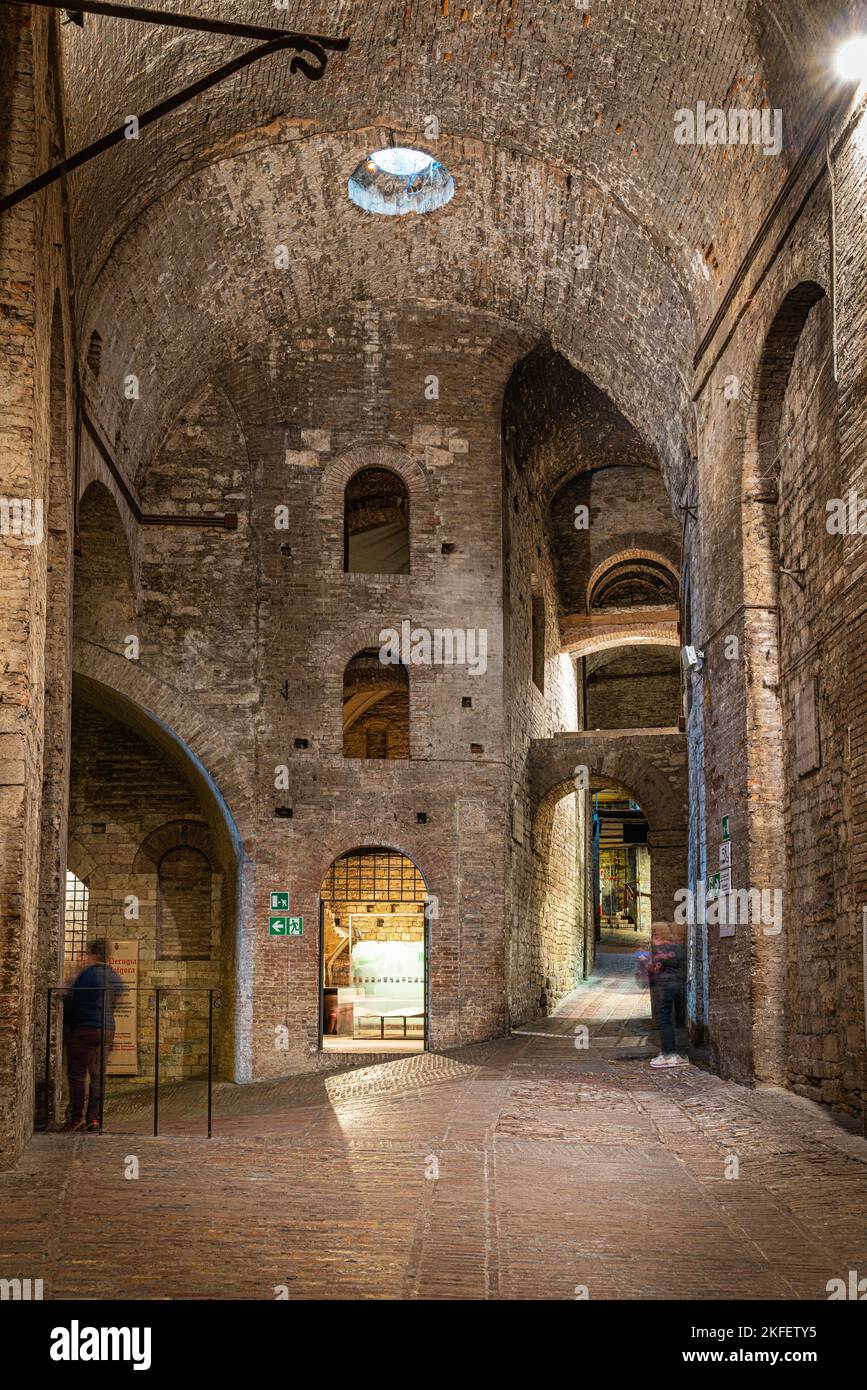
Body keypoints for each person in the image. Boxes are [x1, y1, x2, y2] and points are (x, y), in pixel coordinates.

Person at [61, 939, 125, 1132]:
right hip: (106, 1030)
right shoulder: (115, 976)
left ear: (93, 955)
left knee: (77, 1074)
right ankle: (93, 1120)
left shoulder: (85, 976)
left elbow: (73, 1003)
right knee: (98, 1077)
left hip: (84, 1029)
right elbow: (116, 998)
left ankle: (76, 1118)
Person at [646, 924, 689, 1069]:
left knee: (664, 1020)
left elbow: (657, 968)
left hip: (666, 987)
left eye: (654, 934)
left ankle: (669, 1054)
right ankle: (670, 1053)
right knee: (671, 1020)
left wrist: (650, 965)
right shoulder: (676, 948)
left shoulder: (663, 950)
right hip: (675, 986)